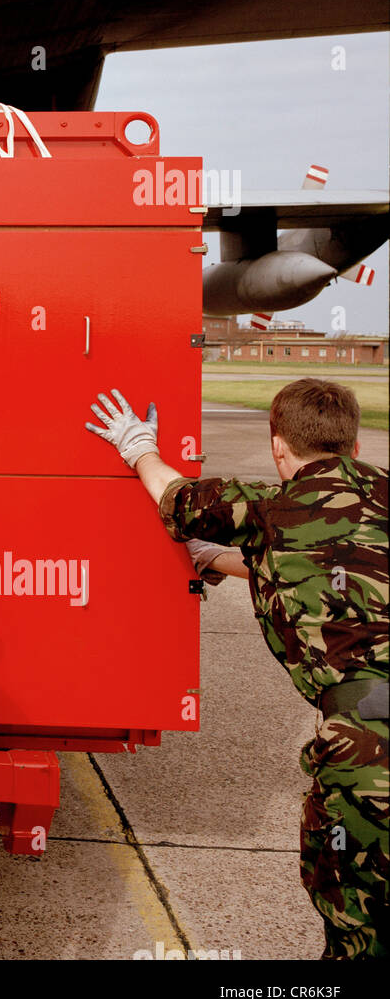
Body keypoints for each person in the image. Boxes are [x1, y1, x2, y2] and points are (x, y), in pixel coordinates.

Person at [85, 378, 387, 959]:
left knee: (360, 927)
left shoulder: (273, 507)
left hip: (370, 750)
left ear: (278, 446)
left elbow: (179, 500)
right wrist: (226, 560)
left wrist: (138, 445)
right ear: (352, 442)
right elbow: (337, 570)